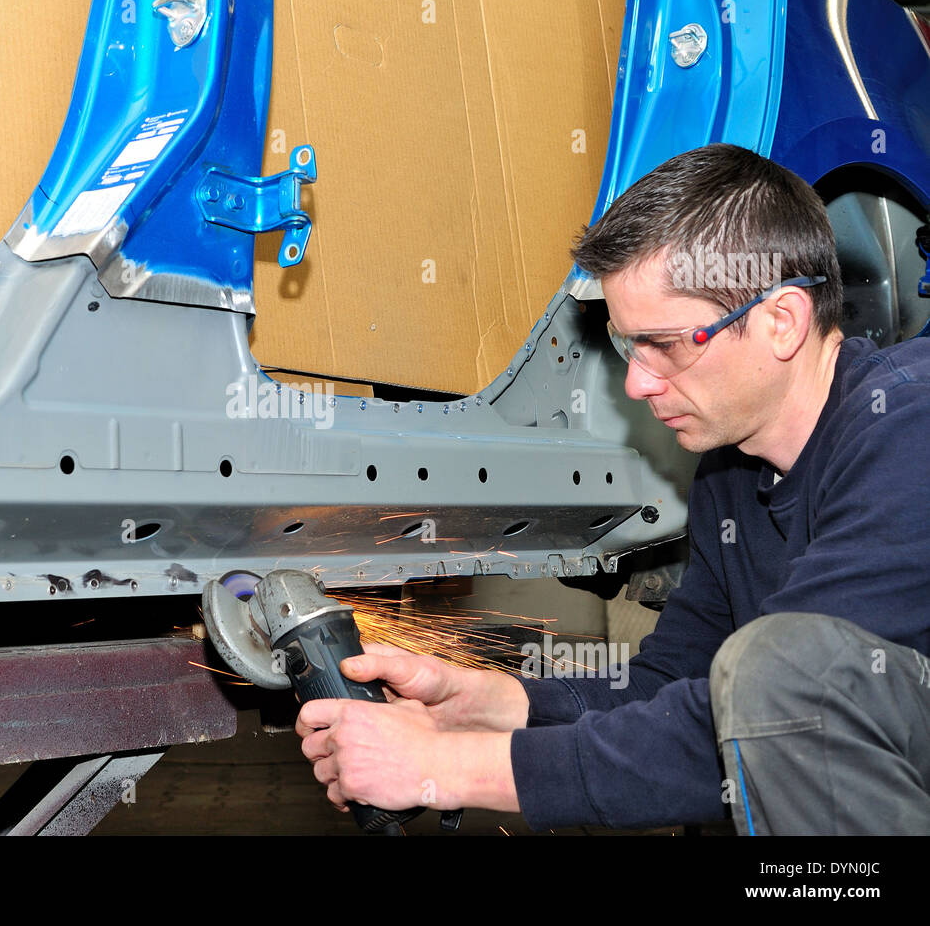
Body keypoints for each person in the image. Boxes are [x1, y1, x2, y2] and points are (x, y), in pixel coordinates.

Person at [296, 143, 930, 835]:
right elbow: (671, 685)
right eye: (631, 347)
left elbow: (777, 712)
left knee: (770, 673)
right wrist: (490, 702)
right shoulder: (731, 474)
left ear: (781, 322)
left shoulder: (907, 432)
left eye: (666, 344)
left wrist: (450, 766)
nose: (637, 383)